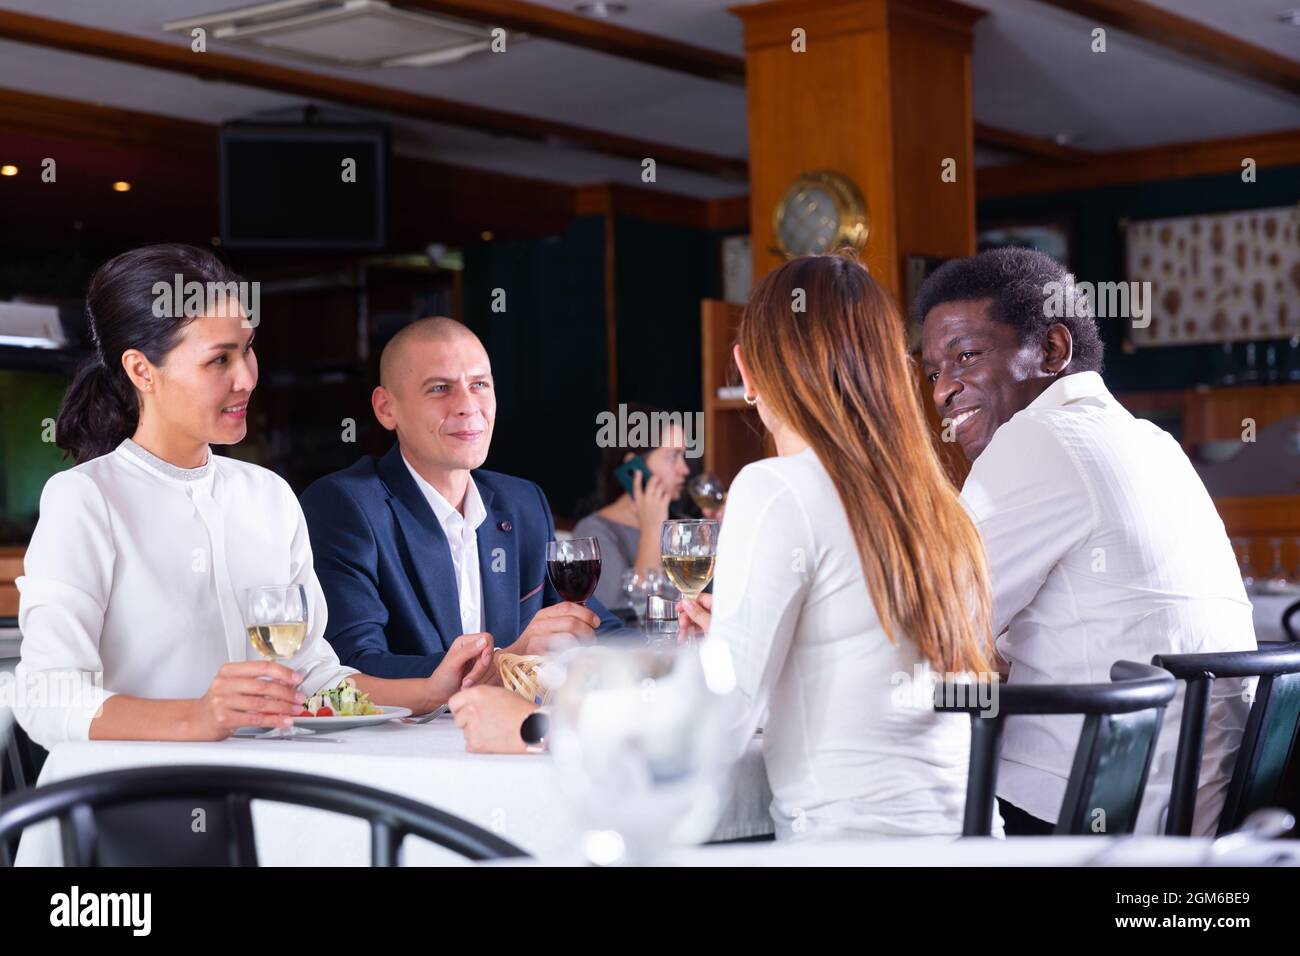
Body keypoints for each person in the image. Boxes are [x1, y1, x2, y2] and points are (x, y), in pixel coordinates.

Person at [456, 253, 1000, 842]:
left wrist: (537, 726)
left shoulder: (776, 488)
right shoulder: (943, 502)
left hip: (849, 849)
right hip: (967, 844)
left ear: (745, 367)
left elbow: (722, 727)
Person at [15, 245, 493, 751]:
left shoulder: (269, 496)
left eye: (247, 349)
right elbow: (46, 696)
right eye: (218, 359)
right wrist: (196, 718)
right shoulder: (86, 499)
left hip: (263, 792)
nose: (245, 377)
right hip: (135, 804)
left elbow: (311, 678)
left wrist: (429, 691)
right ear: (141, 371)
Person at [917, 247, 1256, 836]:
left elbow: (932, 628)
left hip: (1098, 812)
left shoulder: (1037, 439)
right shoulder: (1151, 441)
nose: (943, 389)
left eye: (966, 356)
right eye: (932, 372)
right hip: (1197, 810)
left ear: (1052, 350)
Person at [300, 317, 620, 680]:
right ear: (386, 408)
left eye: (480, 384)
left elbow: (596, 629)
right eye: (439, 388)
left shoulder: (523, 502)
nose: (468, 406)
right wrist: (505, 661)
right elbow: (354, 664)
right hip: (403, 736)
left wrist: (680, 642)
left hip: (512, 732)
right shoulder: (344, 506)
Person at [572, 403, 690, 611]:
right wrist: (652, 530)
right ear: (636, 467)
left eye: (684, 456)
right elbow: (628, 619)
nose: (685, 469)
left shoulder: (685, 525)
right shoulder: (593, 533)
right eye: (673, 456)